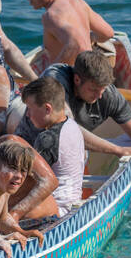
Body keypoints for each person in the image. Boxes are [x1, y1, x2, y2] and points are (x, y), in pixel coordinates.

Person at [24, 50, 131, 197]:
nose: (100, 96)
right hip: (31, 141)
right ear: (77, 79)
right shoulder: (56, 80)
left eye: (103, 89)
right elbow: (68, 130)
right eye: (94, 89)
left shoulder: (107, 94)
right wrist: (117, 150)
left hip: (64, 149)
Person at [20, 0, 114, 70]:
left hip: (74, 78)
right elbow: (108, 33)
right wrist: (89, 37)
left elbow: (77, 44)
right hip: (89, 72)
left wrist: (51, 72)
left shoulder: (51, 15)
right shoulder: (78, 1)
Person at [17, 76, 85, 215]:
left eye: (30, 108)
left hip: (56, 210)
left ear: (47, 109)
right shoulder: (72, 125)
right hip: (72, 203)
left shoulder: (47, 139)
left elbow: (28, 182)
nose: (28, 115)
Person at [0, 137, 64, 236]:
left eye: (23, 170)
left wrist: (16, 214)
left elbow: (51, 181)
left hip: (44, 222)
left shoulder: (11, 143)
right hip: (14, 227)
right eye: (13, 169)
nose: (19, 176)